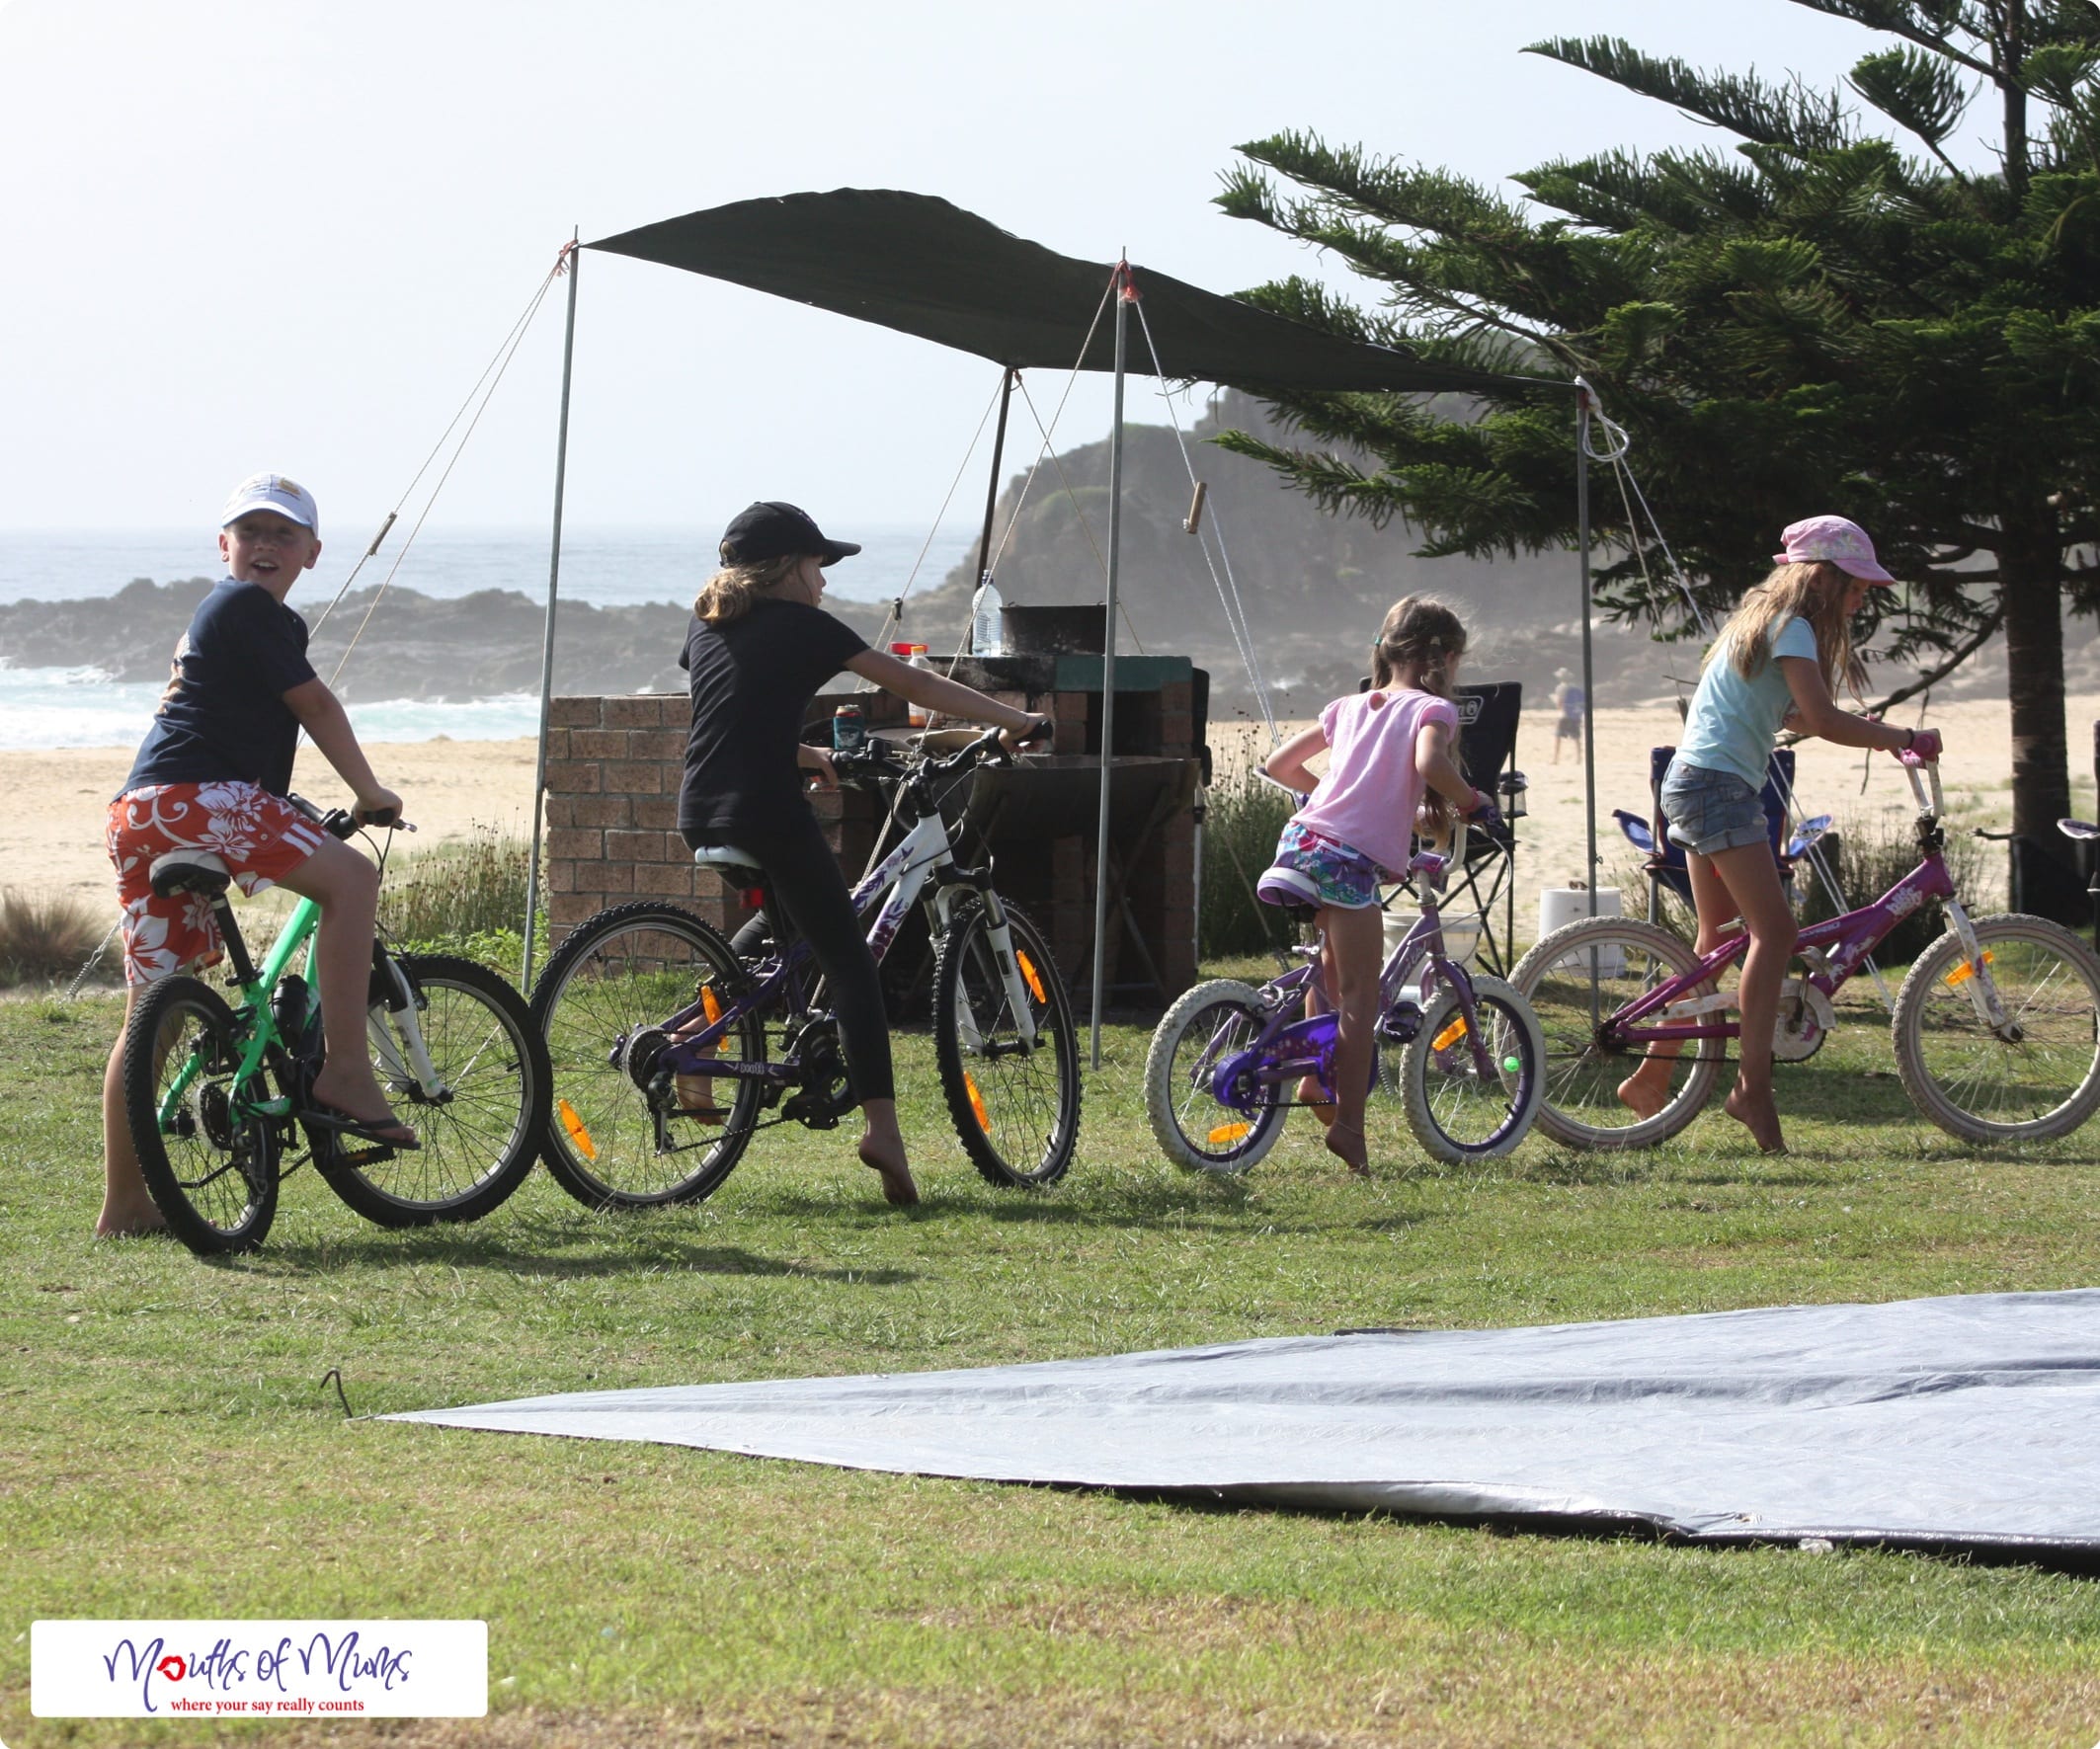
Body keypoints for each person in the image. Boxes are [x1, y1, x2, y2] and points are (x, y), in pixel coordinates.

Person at [677, 501, 1050, 1209]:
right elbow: (913, 684)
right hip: (764, 805)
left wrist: (799, 750)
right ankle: (884, 1131)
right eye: (819, 566)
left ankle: (697, 1037)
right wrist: (1014, 719)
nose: (824, 583)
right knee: (851, 960)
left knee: (794, 934)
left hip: (701, 804)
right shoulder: (801, 623)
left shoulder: (707, 622)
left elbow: (727, 714)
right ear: (788, 567)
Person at [99, 473, 413, 1238]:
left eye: (283, 533)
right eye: (252, 532)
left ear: (311, 551)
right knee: (353, 879)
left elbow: (241, 726)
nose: (266, 545)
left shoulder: (228, 617)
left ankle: (127, 1205)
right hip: (200, 799)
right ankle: (345, 1069)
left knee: (154, 1013)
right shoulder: (246, 605)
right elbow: (314, 706)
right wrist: (371, 792)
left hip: (140, 811)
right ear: (224, 546)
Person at [1617, 516, 1943, 1154]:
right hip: (1718, 788)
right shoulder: (1792, 627)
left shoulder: (1753, 620)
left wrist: (1858, 726)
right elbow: (1819, 718)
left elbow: (1788, 711)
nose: (1861, 599)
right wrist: (1904, 738)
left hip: (1691, 781)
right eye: (1856, 587)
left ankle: (1652, 1077)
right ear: (1824, 579)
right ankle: (1751, 1090)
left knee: (1714, 942)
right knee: (1777, 933)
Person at [1257, 596, 1499, 1174]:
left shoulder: (1346, 706)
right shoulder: (1431, 711)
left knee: (1331, 975)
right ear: (1445, 659)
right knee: (1363, 998)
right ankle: (1350, 1128)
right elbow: (1433, 767)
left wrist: (1342, 803)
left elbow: (1280, 766)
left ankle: (1320, 1082)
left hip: (1301, 842)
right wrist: (1472, 802)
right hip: (1347, 861)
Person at [1552, 667, 1585, 764]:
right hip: (1575, 715)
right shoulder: (1574, 687)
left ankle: (1556, 759)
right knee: (1576, 737)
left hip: (1564, 715)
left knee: (1558, 737)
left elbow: (1559, 703)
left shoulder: (1560, 688)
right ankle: (1579, 758)